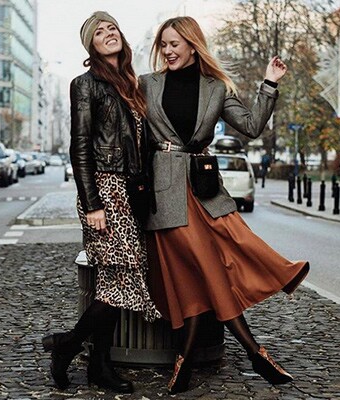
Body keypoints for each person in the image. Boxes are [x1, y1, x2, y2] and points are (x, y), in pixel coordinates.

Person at [139, 16, 310, 394]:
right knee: (204, 271)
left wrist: (269, 83)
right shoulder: (147, 84)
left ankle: (184, 362)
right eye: (163, 44)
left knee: (204, 274)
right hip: (165, 193)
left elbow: (251, 126)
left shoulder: (216, 88)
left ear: (192, 45)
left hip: (204, 191)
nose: (167, 51)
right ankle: (255, 351)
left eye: (174, 44)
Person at [41, 11, 160, 393]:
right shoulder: (85, 84)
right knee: (124, 275)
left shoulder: (131, 84)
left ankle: (97, 364)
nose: (109, 34)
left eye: (112, 28)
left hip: (130, 191)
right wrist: (92, 203)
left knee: (112, 282)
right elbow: (79, 147)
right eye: (99, 32)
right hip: (104, 191)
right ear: (90, 45)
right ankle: (68, 345)